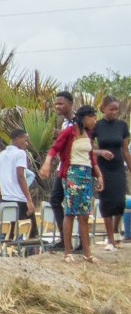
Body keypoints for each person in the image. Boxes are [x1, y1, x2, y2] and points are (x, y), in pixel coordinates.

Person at [47, 105, 103, 263]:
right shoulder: (70, 131)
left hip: (86, 174)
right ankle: (67, 251)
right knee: (70, 212)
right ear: (85, 117)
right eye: (93, 117)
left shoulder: (89, 134)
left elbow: (91, 157)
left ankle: (87, 252)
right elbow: (55, 148)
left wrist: (99, 175)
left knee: (84, 214)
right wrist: (46, 163)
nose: (95, 120)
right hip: (72, 172)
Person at [93, 96, 129, 251]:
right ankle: (110, 240)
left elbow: (125, 150)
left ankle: (115, 231)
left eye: (116, 109)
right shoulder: (97, 126)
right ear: (103, 109)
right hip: (103, 169)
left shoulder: (122, 125)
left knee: (120, 201)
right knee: (106, 202)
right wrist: (100, 152)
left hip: (118, 167)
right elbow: (88, 148)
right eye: (111, 109)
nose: (114, 112)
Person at [45, 89, 75, 247]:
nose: (58, 106)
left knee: (74, 205)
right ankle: (64, 240)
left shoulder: (78, 121)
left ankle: (77, 243)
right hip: (63, 168)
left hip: (75, 168)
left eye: (61, 103)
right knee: (55, 200)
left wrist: (62, 136)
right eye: (56, 103)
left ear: (70, 104)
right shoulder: (64, 123)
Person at [0, 129, 37, 241]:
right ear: (17, 139)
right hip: (19, 199)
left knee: (10, 232)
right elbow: (21, 176)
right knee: (32, 231)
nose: (27, 143)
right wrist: (28, 199)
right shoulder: (20, 153)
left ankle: (10, 252)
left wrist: (1, 197)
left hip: (6, 200)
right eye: (25, 140)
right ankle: (32, 252)